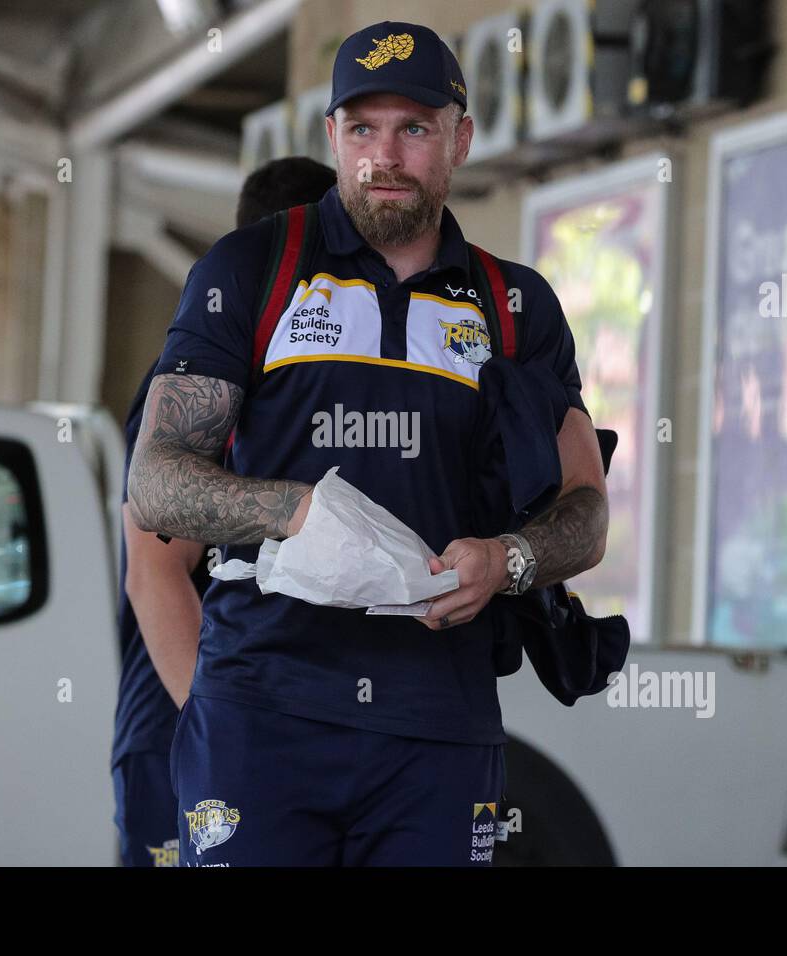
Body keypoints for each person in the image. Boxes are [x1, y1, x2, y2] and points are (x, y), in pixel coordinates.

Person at [127, 20, 609, 867]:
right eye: (363, 129)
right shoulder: (250, 270)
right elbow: (157, 485)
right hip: (262, 715)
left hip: (441, 725)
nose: (384, 156)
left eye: (414, 129)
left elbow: (587, 512)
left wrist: (510, 560)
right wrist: (293, 509)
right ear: (332, 137)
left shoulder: (516, 305)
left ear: (460, 138)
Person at [111, 157, 338, 868]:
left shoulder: (299, 367)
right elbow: (154, 574)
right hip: (186, 724)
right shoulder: (200, 376)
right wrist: (219, 731)